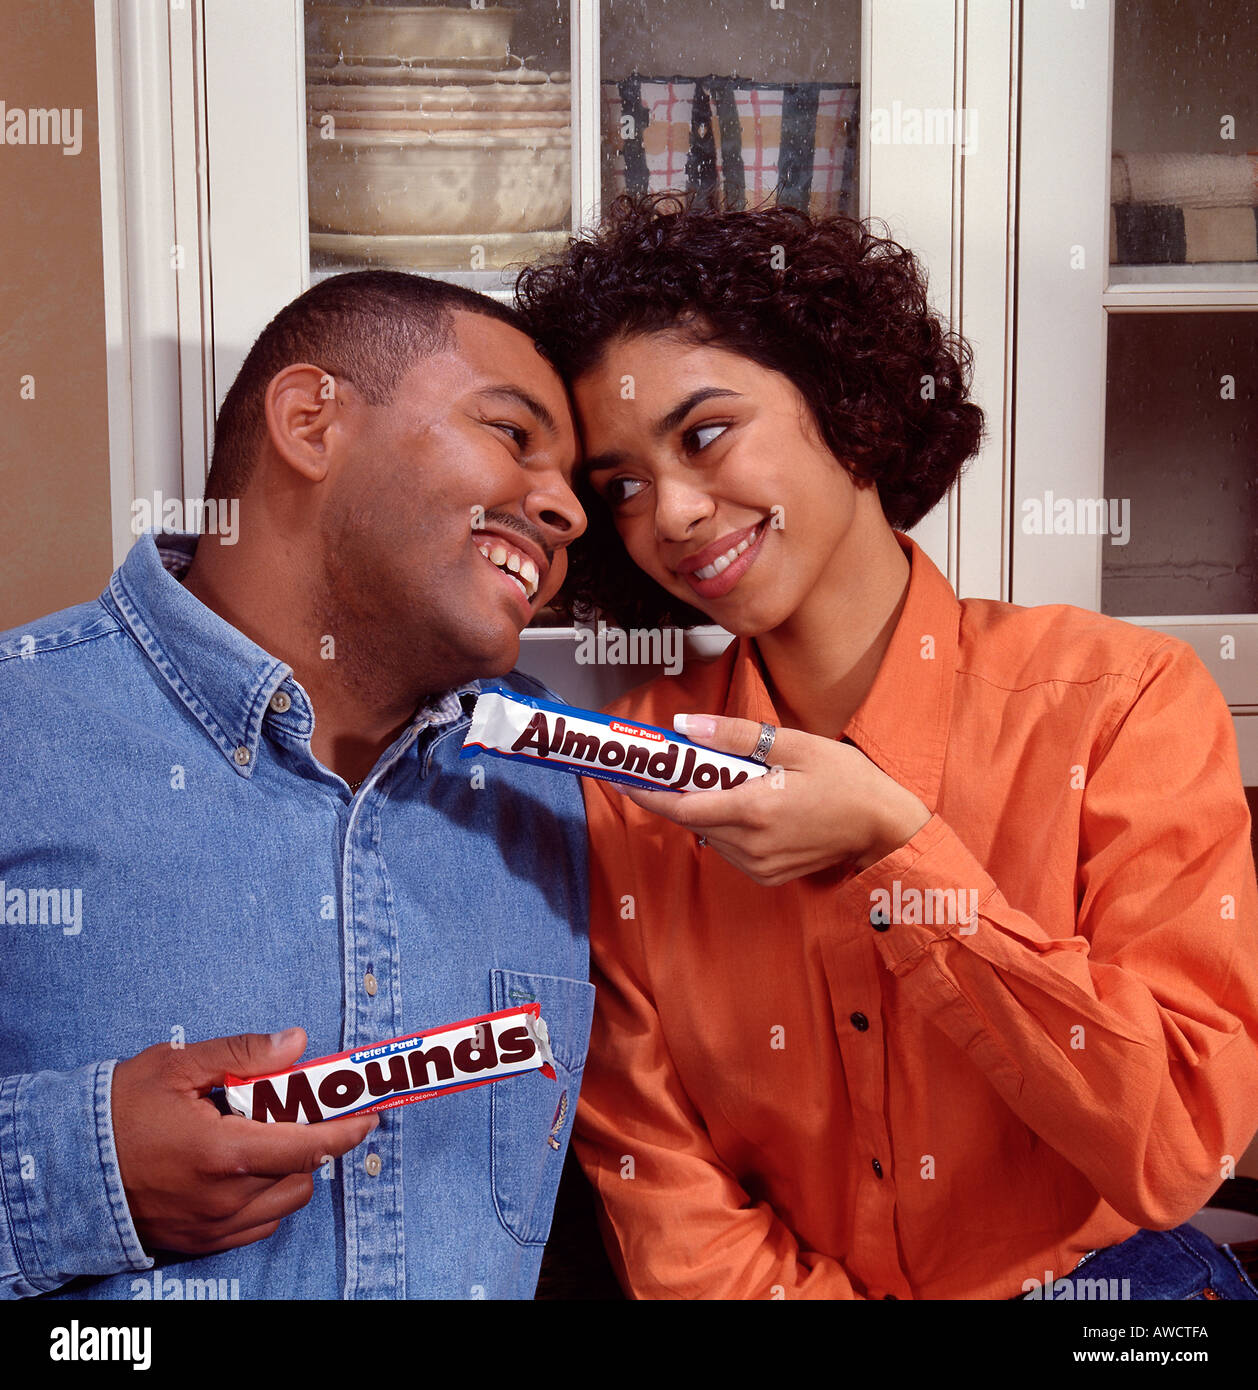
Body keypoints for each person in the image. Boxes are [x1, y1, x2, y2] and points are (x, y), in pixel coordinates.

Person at [514, 194, 1258, 1300]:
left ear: (844, 395)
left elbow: (1177, 1145)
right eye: (620, 485)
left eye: (705, 433)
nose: (667, 511)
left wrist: (899, 847)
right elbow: (670, 1208)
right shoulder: (631, 776)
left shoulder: (1120, 702)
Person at [0, 270, 595, 1300]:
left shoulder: (569, 788)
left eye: (579, 479)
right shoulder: (18, 732)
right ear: (311, 421)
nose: (567, 510)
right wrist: (81, 1173)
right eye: (512, 434)